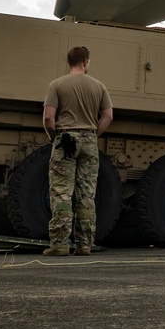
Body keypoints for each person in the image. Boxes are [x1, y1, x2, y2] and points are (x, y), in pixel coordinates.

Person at [42, 45, 113, 256]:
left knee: (62, 192)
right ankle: (84, 245)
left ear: (69, 62)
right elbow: (108, 116)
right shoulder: (99, 86)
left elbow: (48, 117)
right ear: (85, 62)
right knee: (86, 195)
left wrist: (53, 137)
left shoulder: (56, 85)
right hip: (89, 141)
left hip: (65, 140)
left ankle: (60, 245)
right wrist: (93, 135)